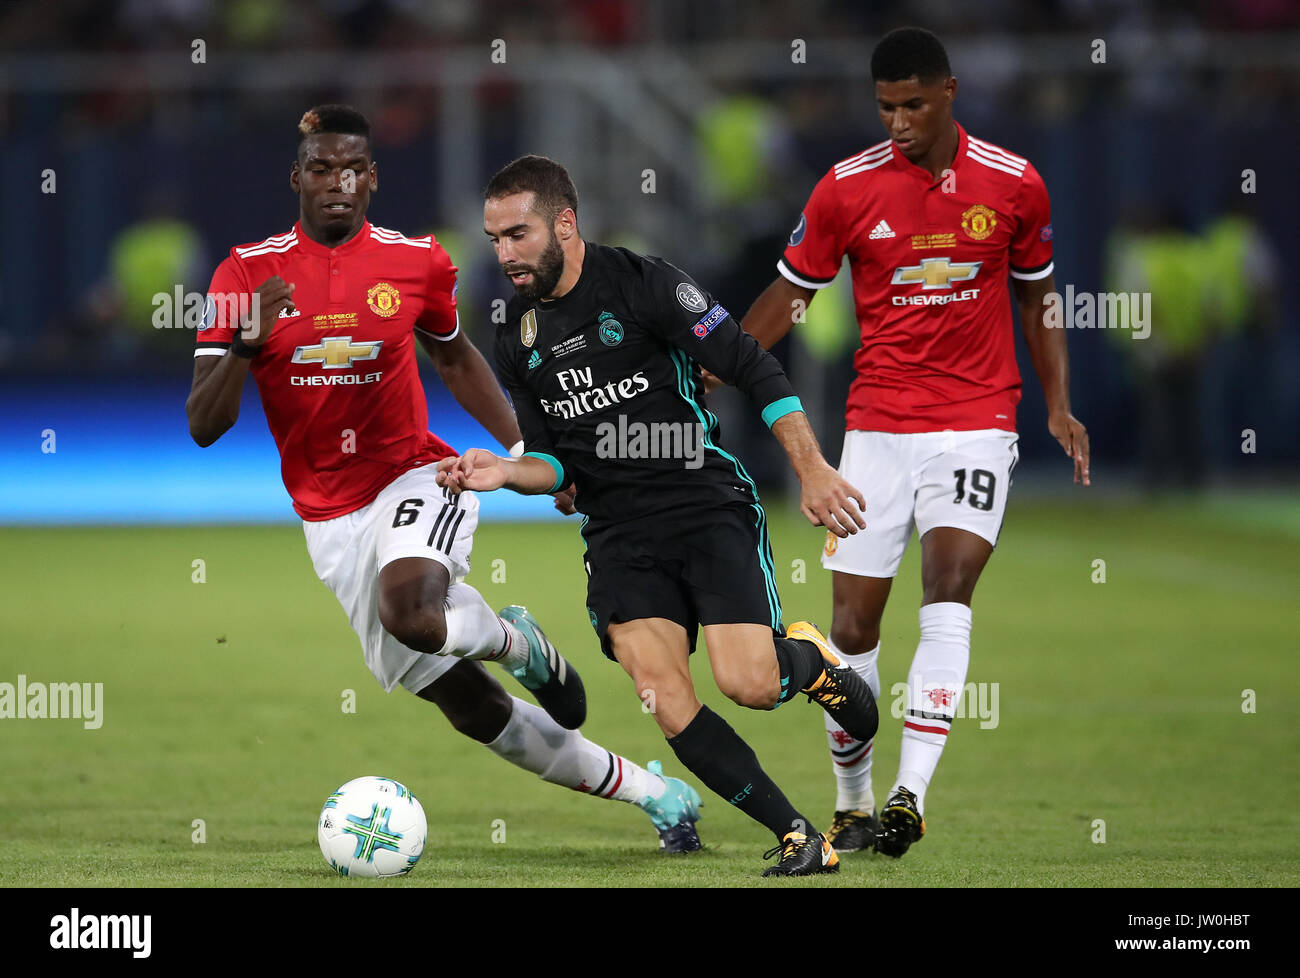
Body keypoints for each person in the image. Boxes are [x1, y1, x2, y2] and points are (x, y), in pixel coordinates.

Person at [184, 105, 703, 856]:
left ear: (373, 179)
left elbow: (456, 360)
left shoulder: (415, 261)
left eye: (353, 168)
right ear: (297, 177)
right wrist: (242, 342)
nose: (338, 182)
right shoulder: (242, 273)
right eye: (322, 169)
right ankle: (652, 791)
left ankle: (510, 640)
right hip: (329, 520)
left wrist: (530, 450)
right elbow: (205, 422)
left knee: (412, 613)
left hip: (416, 476)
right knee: (472, 709)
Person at [436, 154, 879, 877]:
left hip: (702, 506)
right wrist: (507, 471)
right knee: (664, 696)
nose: (505, 254)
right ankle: (799, 834)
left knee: (751, 685)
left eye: (518, 235)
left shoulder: (647, 283)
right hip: (616, 535)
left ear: (565, 225)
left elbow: (752, 364)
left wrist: (812, 468)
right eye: (494, 240)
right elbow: (558, 465)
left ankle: (809, 662)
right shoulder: (514, 335)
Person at [735, 28, 1091, 857]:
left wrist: (1058, 406)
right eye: (887, 106)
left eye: (914, 104)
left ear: (950, 92)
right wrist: (718, 370)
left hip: (977, 422)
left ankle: (909, 795)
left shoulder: (1014, 184)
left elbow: (1038, 300)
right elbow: (788, 297)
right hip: (877, 433)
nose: (898, 120)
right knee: (853, 630)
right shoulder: (845, 190)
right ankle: (853, 801)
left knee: (949, 585)